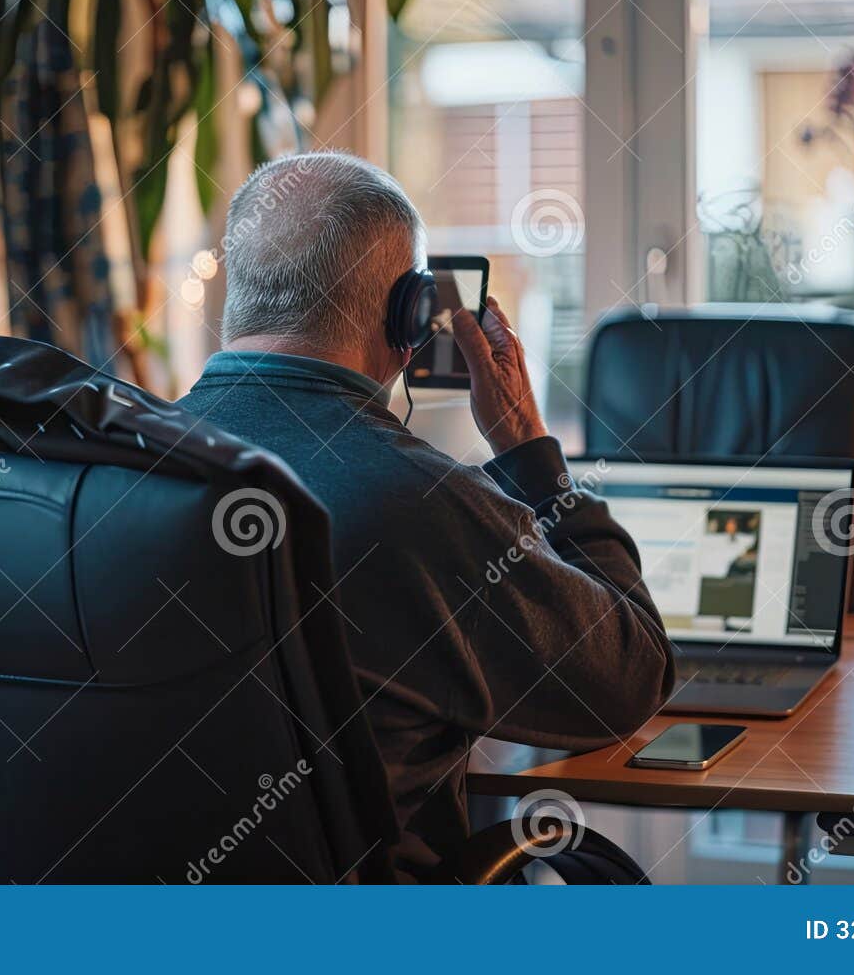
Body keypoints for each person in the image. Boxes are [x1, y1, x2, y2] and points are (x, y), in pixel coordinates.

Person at [178, 151, 672, 880]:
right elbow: (630, 676)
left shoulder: (120, 468)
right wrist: (530, 451)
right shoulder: (421, 502)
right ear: (411, 312)